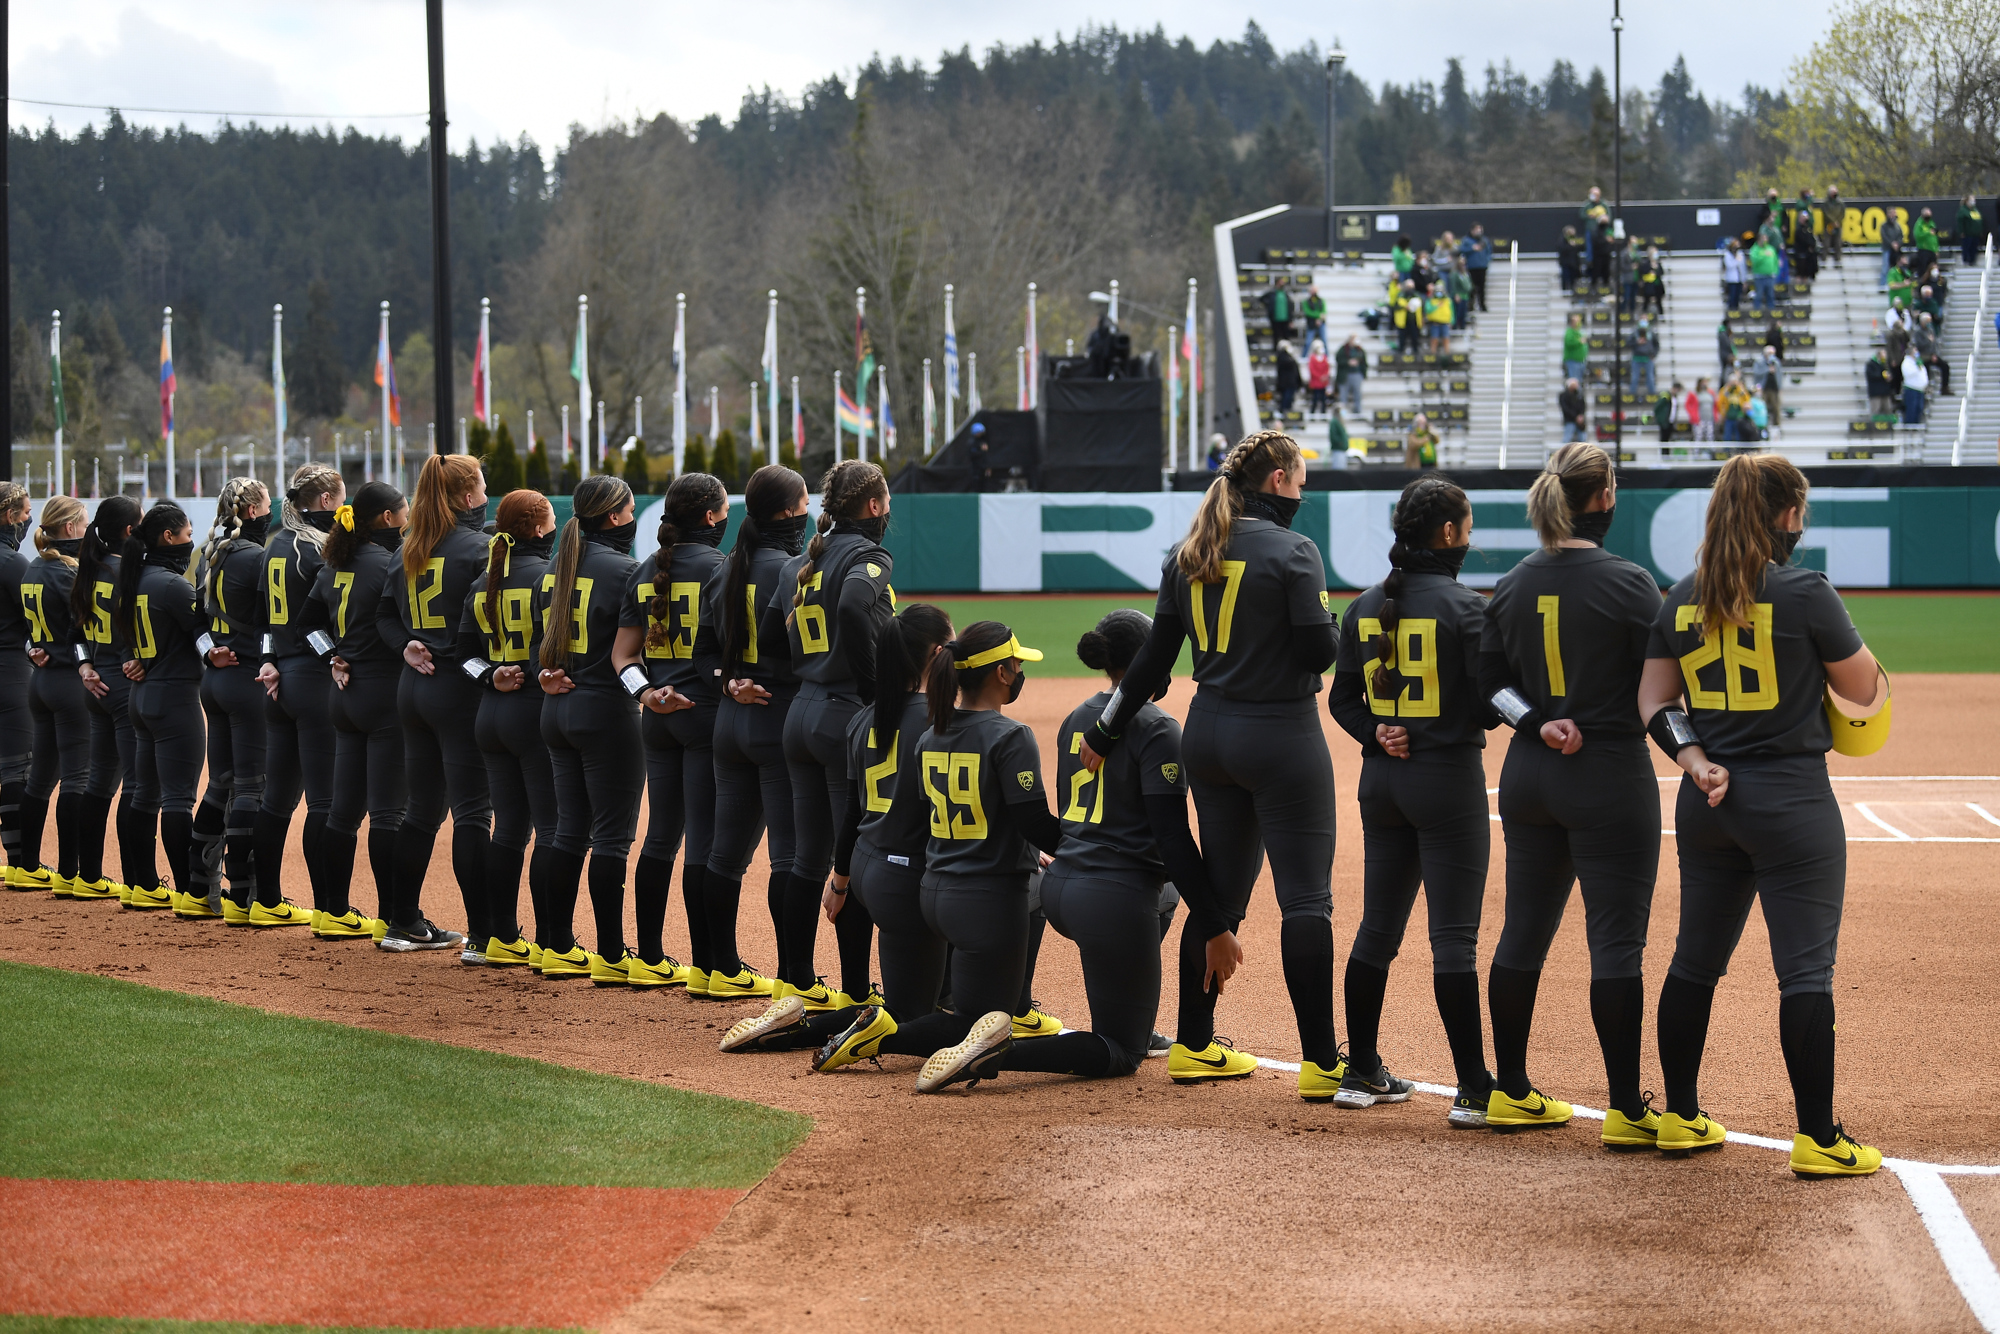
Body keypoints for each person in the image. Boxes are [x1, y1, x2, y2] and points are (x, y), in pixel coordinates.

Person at [1077, 430, 1345, 1100]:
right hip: (1281, 734)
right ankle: (1322, 1063)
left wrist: (1106, 732)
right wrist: (1331, 620)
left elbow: (1150, 661)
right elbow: (1319, 654)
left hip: (1211, 734)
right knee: (1305, 898)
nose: (1304, 488)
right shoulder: (1294, 551)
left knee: (1222, 895)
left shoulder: (1190, 552)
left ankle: (1195, 1044)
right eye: (1301, 477)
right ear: (1279, 479)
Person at [1640, 453, 1887, 1176]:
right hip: (1792, 801)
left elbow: (1655, 705)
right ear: (1786, 516)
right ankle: (1818, 1137)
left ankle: (1680, 1117)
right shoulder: (1808, 592)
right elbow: (1864, 688)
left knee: (1694, 961)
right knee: (1805, 971)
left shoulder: (1680, 597)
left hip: (1708, 799)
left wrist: (1695, 762)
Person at [1480, 444, 1663, 1144]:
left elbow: (1490, 685)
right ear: (1604, 496)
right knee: (1616, 942)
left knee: (1522, 931)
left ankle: (1511, 1090)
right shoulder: (1629, 582)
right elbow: (1665, 685)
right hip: (1607, 771)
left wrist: (1533, 721)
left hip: (1528, 773)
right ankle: (1626, 1109)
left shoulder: (1513, 583)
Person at [810, 619, 1062, 1091]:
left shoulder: (924, 732)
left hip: (920, 884)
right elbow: (1032, 821)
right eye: (1016, 664)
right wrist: (1083, 847)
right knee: (981, 1023)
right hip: (976, 894)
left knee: (925, 1006)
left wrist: (843, 876)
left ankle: (826, 1023)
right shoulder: (1003, 734)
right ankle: (885, 1035)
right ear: (1002, 673)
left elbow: (893, 814)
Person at [1326, 477, 1494, 1117]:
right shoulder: (1466, 607)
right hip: (1446, 778)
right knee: (1454, 939)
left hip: (1383, 781)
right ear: (1447, 533)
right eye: (1467, 526)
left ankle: (1359, 1069)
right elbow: (1487, 701)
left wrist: (1378, 731)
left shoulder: (1366, 605)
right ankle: (1474, 1089)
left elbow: (1342, 700)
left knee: (1377, 927)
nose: (1469, 537)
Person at [724, 601, 954, 1055]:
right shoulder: (938, 722)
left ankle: (794, 1017)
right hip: (912, 881)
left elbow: (852, 813)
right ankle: (801, 1030)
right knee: (918, 1018)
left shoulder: (863, 718)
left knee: (921, 1001)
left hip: (868, 871)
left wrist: (840, 880)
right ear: (935, 652)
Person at [781, 459, 895, 1009]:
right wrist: (875, 694)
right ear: (873, 506)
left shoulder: (806, 559)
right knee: (855, 851)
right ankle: (854, 994)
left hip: (800, 712)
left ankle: (796, 980)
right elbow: (853, 606)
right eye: (885, 501)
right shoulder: (868, 555)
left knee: (805, 858)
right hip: (844, 714)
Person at [612, 472, 730, 989]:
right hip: (705, 716)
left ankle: (650, 956)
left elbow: (623, 657)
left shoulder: (643, 570)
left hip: (656, 719)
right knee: (704, 841)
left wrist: (647, 695)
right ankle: (708, 967)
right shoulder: (722, 568)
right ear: (710, 518)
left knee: (660, 836)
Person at [313, 482, 440, 945]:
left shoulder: (335, 562)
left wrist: (332, 654)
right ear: (387, 517)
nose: (408, 516)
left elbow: (307, 626)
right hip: (384, 694)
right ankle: (397, 919)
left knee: (343, 813)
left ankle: (331, 911)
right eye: (403, 510)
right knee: (388, 814)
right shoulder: (388, 562)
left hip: (345, 694)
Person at [703, 466, 812, 1006]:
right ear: (790, 513)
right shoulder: (794, 568)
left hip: (730, 721)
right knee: (789, 857)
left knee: (725, 855)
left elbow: (703, 653)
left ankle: (718, 968)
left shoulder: (726, 567)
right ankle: (797, 978)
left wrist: (728, 683)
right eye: (803, 505)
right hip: (778, 716)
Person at [390, 453, 500, 961]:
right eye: (480, 488)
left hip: (415, 688)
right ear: (464, 497)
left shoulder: (409, 545)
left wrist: (406, 645)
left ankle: (403, 922)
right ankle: (483, 936)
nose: (484, 495)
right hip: (457, 689)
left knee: (421, 810)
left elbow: (381, 619)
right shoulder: (480, 549)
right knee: (473, 812)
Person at [536, 474, 642, 982]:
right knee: (612, 839)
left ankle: (555, 946)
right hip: (605, 710)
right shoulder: (625, 569)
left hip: (556, 708)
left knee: (568, 831)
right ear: (613, 517)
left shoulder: (556, 564)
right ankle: (611, 955)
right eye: (627, 509)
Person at [458, 490, 567, 968]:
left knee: (507, 831)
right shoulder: (550, 576)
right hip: (533, 714)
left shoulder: (485, 578)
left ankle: (499, 937)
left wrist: (489, 675)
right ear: (540, 529)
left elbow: (461, 655)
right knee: (550, 830)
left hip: (490, 713)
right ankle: (550, 943)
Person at [254, 465, 350, 934]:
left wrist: (270, 660)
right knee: (325, 803)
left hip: (280, 680)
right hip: (312, 679)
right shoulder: (317, 546)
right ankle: (332, 911)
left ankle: (265, 900)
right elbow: (321, 619)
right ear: (328, 499)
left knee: (276, 800)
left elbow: (267, 621)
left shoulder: (275, 541)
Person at [192, 477, 279, 924]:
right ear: (250, 512)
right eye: (266, 504)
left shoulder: (212, 554)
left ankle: (197, 890)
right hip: (246, 681)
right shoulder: (257, 557)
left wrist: (209, 649)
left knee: (221, 783)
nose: (271, 510)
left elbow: (195, 618)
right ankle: (244, 897)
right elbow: (271, 623)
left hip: (215, 679)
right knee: (251, 788)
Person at [116, 503, 207, 915]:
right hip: (173, 698)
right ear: (169, 537)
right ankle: (191, 892)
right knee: (177, 800)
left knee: (144, 794)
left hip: (143, 696)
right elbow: (204, 629)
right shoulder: (171, 584)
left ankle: (142, 885)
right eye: (187, 534)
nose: (190, 540)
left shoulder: (134, 577)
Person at [68, 495, 146, 902]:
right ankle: (136, 883)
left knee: (98, 784)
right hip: (121, 684)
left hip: (95, 681)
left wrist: (83, 666)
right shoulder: (126, 571)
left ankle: (89, 875)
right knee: (135, 785)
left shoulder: (91, 567)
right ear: (130, 531)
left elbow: (75, 630)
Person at [19, 496, 92, 893]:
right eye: (83, 523)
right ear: (69, 528)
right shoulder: (68, 573)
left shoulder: (34, 567)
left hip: (41, 681)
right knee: (77, 778)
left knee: (40, 780)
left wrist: (32, 646)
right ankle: (70, 873)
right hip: (67, 681)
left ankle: (26, 865)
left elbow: (30, 631)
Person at [0, 483, 34, 888]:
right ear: (10, 516)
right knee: (15, 767)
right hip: (9, 668)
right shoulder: (13, 562)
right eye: (24, 512)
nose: (28, 519)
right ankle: (21, 860)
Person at [1915, 312, 1951, 395]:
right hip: (1923, 356)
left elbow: (1934, 343)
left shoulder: (1930, 330)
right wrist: (1928, 341)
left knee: (1945, 366)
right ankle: (1926, 389)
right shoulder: (1918, 332)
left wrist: (1934, 354)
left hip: (1931, 355)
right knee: (1925, 370)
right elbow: (1919, 345)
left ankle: (1944, 388)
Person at [1460, 224, 1493, 312]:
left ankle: (1482, 305)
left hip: (1482, 267)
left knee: (1481, 287)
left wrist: (1486, 261)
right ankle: (1471, 305)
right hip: (1471, 267)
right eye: (1477, 230)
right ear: (1472, 230)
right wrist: (1472, 248)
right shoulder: (1467, 241)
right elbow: (1461, 250)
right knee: (1471, 287)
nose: (1479, 232)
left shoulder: (1484, 240)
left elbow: (1489, 252)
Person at [1335, 333, 1367, 414]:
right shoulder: (1343, 349)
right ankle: (1343, 414)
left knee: (1357, 394)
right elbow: (1338, 359)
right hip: (1345, 374)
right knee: (1343, 396)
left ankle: (1358, 411)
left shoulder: (1360, 350)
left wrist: (1363, 373)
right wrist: (1347, 362)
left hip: (1356, 374)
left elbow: (1364, 362)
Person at [1757, 346, 1785, 435]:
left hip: (1774, 389)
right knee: (1763, 409)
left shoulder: (1776, 363)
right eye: (1769, 353)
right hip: (1764, 389)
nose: (1771, 355)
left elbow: (1780, 375)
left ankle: (1777, 428)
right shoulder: (1760, 362)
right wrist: (1767, 370)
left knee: (1776, 408)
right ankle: (1764, 428)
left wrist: (1780, 387)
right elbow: (1757, 373)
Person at [1260, 281, 1294, 353]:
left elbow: (1290, 307)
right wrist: (1268, 305)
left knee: (1286, 335)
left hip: (1285, 318)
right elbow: (1261, 299)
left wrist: (1291, 319)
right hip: (1275, 318)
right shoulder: (1272, 293)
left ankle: (1287, 350)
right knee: (1276, 335)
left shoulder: (1285, 294)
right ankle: (1275, 350)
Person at [1628, 319, 1659, 396]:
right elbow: (1628, 344)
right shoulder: (1634, 334)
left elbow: (1657, 345)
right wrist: (1636, 342)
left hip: (1648, 358)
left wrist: (1654, 354)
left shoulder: (1652, 335)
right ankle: (1632, 393)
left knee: (1650, 377)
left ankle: (1652, 393)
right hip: (1636, 358)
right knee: (1635, 377)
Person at [1749, 236, 1779, 313]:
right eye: (1764, 239)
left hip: (1770, 276)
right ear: (1759, 240)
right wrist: (1764, 255)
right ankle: (1757, 312)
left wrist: (1775, 272)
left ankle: (1771, 313)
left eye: (1766, 239)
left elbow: (1775, 261)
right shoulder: (1754, 249)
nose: (1765, 240)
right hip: (1759, 277)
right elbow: (1755, 261)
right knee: (1759, 295)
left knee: (1771, 295)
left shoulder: (1771, 248)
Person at [1393, 281, 1423, 355]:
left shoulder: (1417, 296)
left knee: (1415, 337)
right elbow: (1395, 307)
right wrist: (1404, 307)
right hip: (1403, 320)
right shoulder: (1400, 296)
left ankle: (1415, 350)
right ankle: (1401, 350)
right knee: (1402, 337)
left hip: (1414, 320)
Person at [1634, 244, 1665, 316]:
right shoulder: (1645, 263)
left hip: (1657, 286)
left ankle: (1661, 315)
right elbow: (1641, 272)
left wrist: (1656, 270)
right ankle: (1644, 316)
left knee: (1658, 301)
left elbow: (1661, 273)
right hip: (1648, 286)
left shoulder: (1658, 263)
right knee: (1646, 301)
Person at [1864, 348, 1896, 417]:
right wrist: (1882, 375)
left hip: (1885, 392)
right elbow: (1871, 375)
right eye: (1883, 353)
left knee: (1888, 410)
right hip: (1876, 392)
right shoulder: (1871, 364)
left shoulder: (1885, 364)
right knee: (1875, 410)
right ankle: (1873, 426)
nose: (1885, 355)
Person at [1900, 349, 1929, 424]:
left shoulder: (1918, 362)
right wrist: (1917, 367)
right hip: (1911, 389)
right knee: (1912, 408)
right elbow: (1908, 374)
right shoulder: (1906, 363)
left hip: (1920, 389)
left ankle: (1916, 424)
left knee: (1919, 408)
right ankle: (1910, 425)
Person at [1958, 194, 1987, 266]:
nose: (1973, 202)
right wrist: (1962, 231)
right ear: (1967, 201)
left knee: (1974, 249)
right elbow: (1960, 221)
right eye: (1971, 200)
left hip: (1976, 234)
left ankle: (1972, 260)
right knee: (1967, 247)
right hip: (1968, 234)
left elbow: (1979, 220)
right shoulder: (1963, 210)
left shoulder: (1975, 210)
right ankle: (1966, 261)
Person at [1879, 211, 1904, 292]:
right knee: (1885, 267)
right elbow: (1884, 236)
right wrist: (1891, 243)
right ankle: (1882, 286)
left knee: (1896, 268)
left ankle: (1894, 285)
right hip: (1887, 248)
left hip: (1896, 250)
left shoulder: (1898, 226)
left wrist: (1898, 244)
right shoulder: (1884, 226)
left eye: (1894, 214)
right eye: (1891, 214)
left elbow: (1901, 236)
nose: (1893, 216)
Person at [1719, 238, 1747, 313]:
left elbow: (1742, 267)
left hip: (1739, 279)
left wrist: (1744, 280)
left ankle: (1736, 310)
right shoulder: (1727, 255)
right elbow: (1730, 266)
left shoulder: (1740, 254)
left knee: (1738, 296)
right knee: (1732, 296)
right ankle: (1731, 310)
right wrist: (1737, 260)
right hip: (1731, 279)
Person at [1274, 340, 1301, 415]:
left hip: (1292, 382)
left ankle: (1287, 411)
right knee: (1286, 398)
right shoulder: (1282, 357)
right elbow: (1289, 363)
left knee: (1290, 398)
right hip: (1286, 382)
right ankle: (1284, 411)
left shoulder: (1290, 357)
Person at [1423, 286, 1453, 354]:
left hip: (1445, 323)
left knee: (1446, 339)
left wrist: (1451, 321)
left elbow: (1452, 311)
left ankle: (1447, 353)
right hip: (1435, 323)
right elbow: (1428, 310)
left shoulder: (1448, 300)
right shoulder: (1430, 300)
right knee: (1434, 339)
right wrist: (1436, 306)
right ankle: (1433, 354)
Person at [1562, 313, 1588, 387]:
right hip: (1572, 362)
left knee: (1579, 382)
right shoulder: (1569, 332)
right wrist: (1579, 342)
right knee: (1573, 382)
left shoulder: (1580, 332)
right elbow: (1569, 343)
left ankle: (1578, 396)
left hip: (1581, 361)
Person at [1559, 378, 1588, 444]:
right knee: (1567, 438)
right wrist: (1575, 416)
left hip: (1580, 421)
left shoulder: (1579, 395)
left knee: (1583, 438)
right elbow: (1565, 408)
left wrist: (1581, 416)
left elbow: (1583, 406)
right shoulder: (1563, 396)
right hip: (1570, 420)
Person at [1300, 284, 1327, 354]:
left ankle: (1327, 356)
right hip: (1311, 323)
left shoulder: (1321, 300)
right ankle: (1304, 356)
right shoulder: (1306, 302)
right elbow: (1308, 312)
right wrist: (1318, 315)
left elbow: (1324, 312)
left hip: (1321, 323)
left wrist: (1319, 319)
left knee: (1324, 340)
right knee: (1308, 341)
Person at [1305, 340, 1331, 414]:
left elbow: (1327, 368)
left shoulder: (1324, 357)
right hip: (1316, 381)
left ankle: (1323, 413)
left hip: (1323, 382)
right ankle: (1312, 413)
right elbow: (1312, 370)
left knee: (1324, 399)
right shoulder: (1312, 358)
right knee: (1315, 398)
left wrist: (1325, 376)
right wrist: (1319, 377)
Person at [1823, 187, 1846, 268]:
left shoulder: (1840, 203)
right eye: (1832, 192)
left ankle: (1838, 262)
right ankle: (1823, 261)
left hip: (1838, 226)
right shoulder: (1826, 202)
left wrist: (1837, 222)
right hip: (1828, 226)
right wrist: (1833, 222)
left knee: (1838, 244)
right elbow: (1826, 213)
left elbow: (1843, 214)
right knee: (1826, 244)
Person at [1912, 206, 1940, 274]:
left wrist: (1936, 250)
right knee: (1923, 270)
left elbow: (1934, 238)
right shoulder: (1919, 224)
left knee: (1933, 270)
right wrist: (1928, 233)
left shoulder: (1931, 223)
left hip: (1932, 250)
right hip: (1924, 250)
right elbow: (1917, 235)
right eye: (1927, 215)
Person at [1558, 225, 1584, 294]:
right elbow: (1562, 249)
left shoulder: (1576, 239)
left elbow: (1581, 246)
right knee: (1566, 276)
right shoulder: (1562, 240)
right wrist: (1570, 246)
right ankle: (1565, 289)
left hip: (1574, 262)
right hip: (1566, 262)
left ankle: (1573, 289)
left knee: (1574, 277)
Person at [1691, 377, 1716, 443]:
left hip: (1709, 419)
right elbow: (1690, 406)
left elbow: (1715, 405)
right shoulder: (1695, 394)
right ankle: (1696, 452)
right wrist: (1694, 417)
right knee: (1698, 437)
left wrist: (1715, 416)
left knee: (1710, 436)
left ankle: (1711, 452)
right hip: (1699, 420)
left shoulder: (1711, 393)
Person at [1717, 315, 1736, 380]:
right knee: (1725, 371)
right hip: (1725, 355)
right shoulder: (1723, 333)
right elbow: (1728, 344)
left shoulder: (1723, 333)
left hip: (1724, 354)